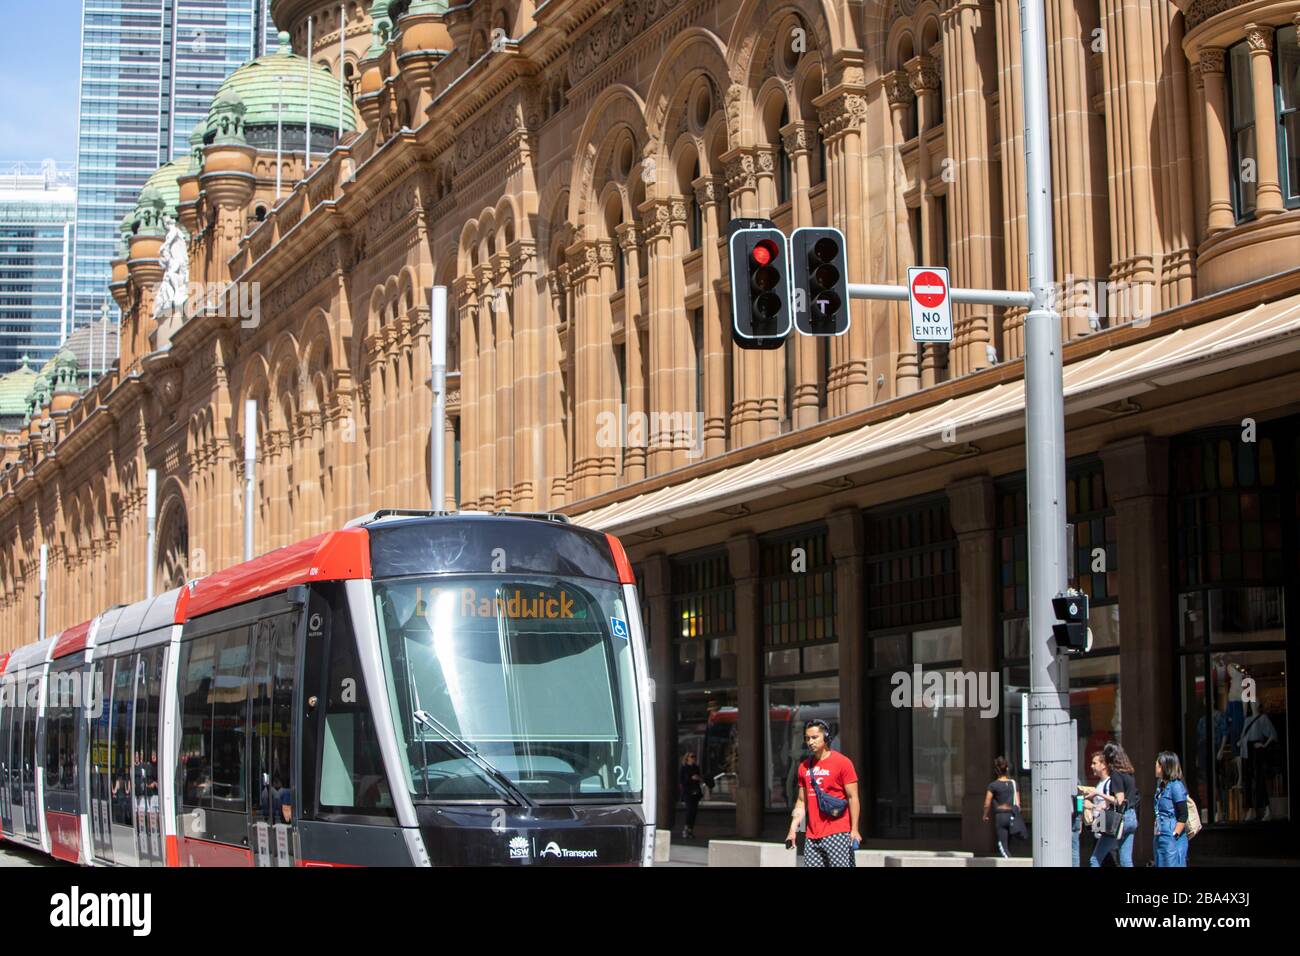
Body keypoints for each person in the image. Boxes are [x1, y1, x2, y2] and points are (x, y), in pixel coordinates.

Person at [785, 719, 860, 867]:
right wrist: (793, 829)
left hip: (838, 832)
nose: (810, 742)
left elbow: (853, 797)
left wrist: (855, 829)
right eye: (807, 738)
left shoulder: (843, 763)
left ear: (825, 737)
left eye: (814, 737)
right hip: (812, 836)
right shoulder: (804, 767)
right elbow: (801, 801)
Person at [1084, 742, 1138, 867]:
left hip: (1118, 820)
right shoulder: (1129, 773)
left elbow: (1119, 800)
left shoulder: (1116, 774)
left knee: (1095, 859)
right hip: (1131, 818)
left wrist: (1097, 793)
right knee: (1126, 861)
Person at [1153, 751, 1190, 867]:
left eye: (1158, 765)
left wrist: (1175, 834)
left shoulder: (1176, 786)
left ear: (1165, 767)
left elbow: (1183, 814)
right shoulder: (1162, 785)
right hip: (1160, 833)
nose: (1155, 767)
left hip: (1170, 834)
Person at [982, 756, 1019, 858]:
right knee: (1009, 845)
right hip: (1012, 815)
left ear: (996, 770)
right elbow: (1018, 803)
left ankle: (1009, 863)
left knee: (1003, 846)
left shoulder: (993, 786)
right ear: (1007, 769)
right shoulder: (1014, 783)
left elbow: (987, 803)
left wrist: (985, 815)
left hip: (1001, 816)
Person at [678, 751, 705, 839]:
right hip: (687, 792)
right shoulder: (684, 768)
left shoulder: (696, 767)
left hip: (695, 791)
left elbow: (700, 778)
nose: (693, 758)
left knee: (694, 811)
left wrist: (698, 778)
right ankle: (686, 828)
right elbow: (682, 781)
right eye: (692, 756)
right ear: (687, 758)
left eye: (694, 757)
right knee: (690, 810)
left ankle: (690, 829)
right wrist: (691, 778)